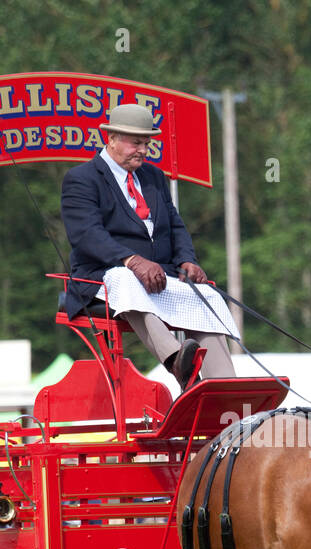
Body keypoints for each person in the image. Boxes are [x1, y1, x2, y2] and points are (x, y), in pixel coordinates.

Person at [61, 103, 237, 386]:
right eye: (136, 143)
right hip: (101, 279)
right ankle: (175, 360)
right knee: (124, 279)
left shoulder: (153, 177)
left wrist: (187, 260)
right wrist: (132, 260)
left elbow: (175, 225)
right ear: (112, 139)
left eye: (147, 143)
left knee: (206, 297)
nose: (143, 150)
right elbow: (86, 235)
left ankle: (225, 387)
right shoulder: (82, 179)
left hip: (159, 276)